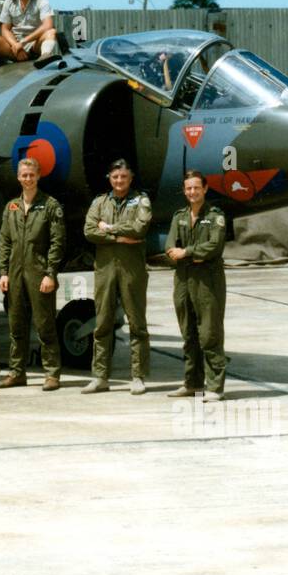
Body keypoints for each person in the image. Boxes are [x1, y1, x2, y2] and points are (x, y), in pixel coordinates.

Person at [82, 159, 153, 394]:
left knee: (137, 324)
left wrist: (109, 228)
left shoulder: (141, 200)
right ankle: (100, 376)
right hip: (105, 271)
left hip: (132, 271)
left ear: (130, 178)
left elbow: (140, 228)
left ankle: (138, 376)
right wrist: (119, 236)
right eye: (115, 177)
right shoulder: (99, 202)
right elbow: (89, 230)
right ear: (109, 179)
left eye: (123, 177)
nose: (119, 181)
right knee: (102, 323)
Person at [0, 156, 65, 390]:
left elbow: (57, 242)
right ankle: (17, 372)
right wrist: (3, 272)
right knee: (16, 324)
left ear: (39, 176)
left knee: (45, 324)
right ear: (18, 177)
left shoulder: (50, 205)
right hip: (15, 272)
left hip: (38, 271)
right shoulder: (11, 207)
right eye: (23, 175)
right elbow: (5, 241)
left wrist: (50, 273)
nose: (27, 179)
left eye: (31, 175)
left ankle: (52, 374)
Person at [166, 170, 228, 402]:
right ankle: (193, 383)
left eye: (196, 188)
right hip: (183, 280)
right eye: (188, 188)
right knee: (188, 333)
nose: (192, 192)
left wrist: (187, 252)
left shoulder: (216, 216)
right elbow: (170, 247)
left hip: (207, 282)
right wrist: (192, 255)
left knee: (209, 333)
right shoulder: (179, 216)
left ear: (205, 189)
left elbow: (214, 246)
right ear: (184, 191)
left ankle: (215, 387)